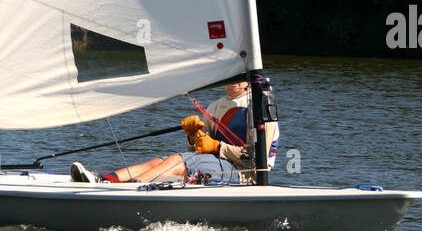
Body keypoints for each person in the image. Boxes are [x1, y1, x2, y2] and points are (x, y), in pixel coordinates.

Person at [70, 79, 279, 186]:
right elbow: (197, 146)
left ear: (248, 79)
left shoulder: (260, 109)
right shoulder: (216, 106)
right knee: (159, 162)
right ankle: (106, 180)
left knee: (177, 162)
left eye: (240, 77)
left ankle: (132, 188)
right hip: (216, 163)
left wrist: (217, 147)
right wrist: (193, 135)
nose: (234, 81)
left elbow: (256, 160)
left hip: (243, 175)